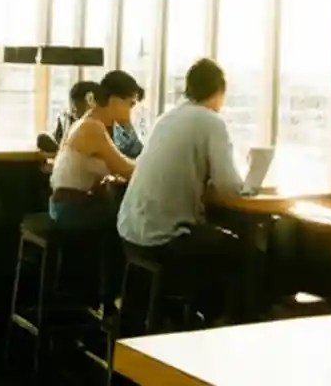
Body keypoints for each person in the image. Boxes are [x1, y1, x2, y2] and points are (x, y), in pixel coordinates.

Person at [117, 58, 244, 324]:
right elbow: (229, 186)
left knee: (214, 243)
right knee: (240, 253)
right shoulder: (211, 121)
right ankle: (217, 329)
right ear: (219, 92)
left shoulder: (166, 118)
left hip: (130, 234)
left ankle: (185, 320)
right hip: (163, 241)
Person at [49, 71, 140, 231]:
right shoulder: (93, 128)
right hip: (72, 209)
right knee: (131, 220)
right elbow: (126, 169)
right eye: (130, 104)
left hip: (64, 205)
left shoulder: (85, 121)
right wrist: (152, 164)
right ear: (114, 101)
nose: (131, 111)